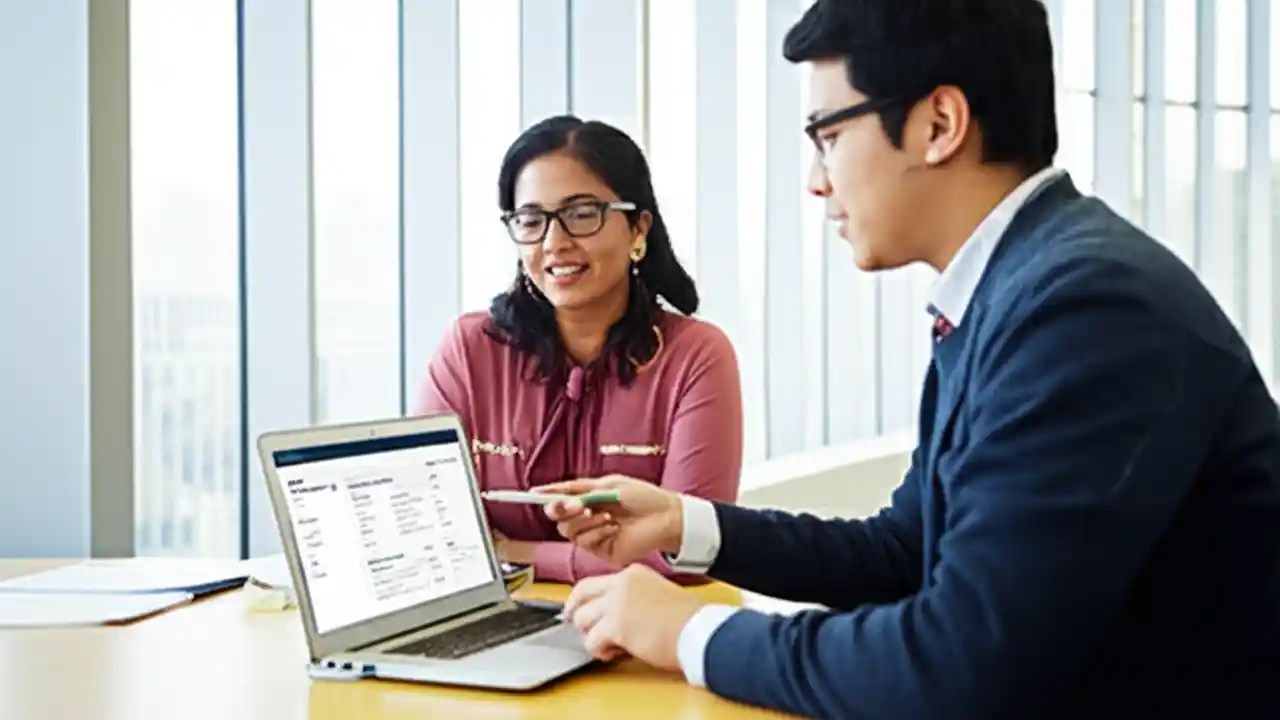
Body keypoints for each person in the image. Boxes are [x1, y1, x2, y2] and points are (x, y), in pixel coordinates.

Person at [540, 1, 1280, 717]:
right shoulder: (1015, 288)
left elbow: (961, 666)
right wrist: (684, 522)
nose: (816, 179)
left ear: (939, 124)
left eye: (828, 134)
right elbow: (904, 551)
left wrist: (689, 632)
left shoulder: (1085, 307)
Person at [414, 115, 742, 585]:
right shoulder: (469, 350)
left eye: (582, 214)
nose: (554, 243)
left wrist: (520, 554)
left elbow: (691, 555)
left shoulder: (696, 356)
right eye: (531, 220)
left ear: (638, 228)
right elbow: (432, 534)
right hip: (504, 619)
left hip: (643, 621)